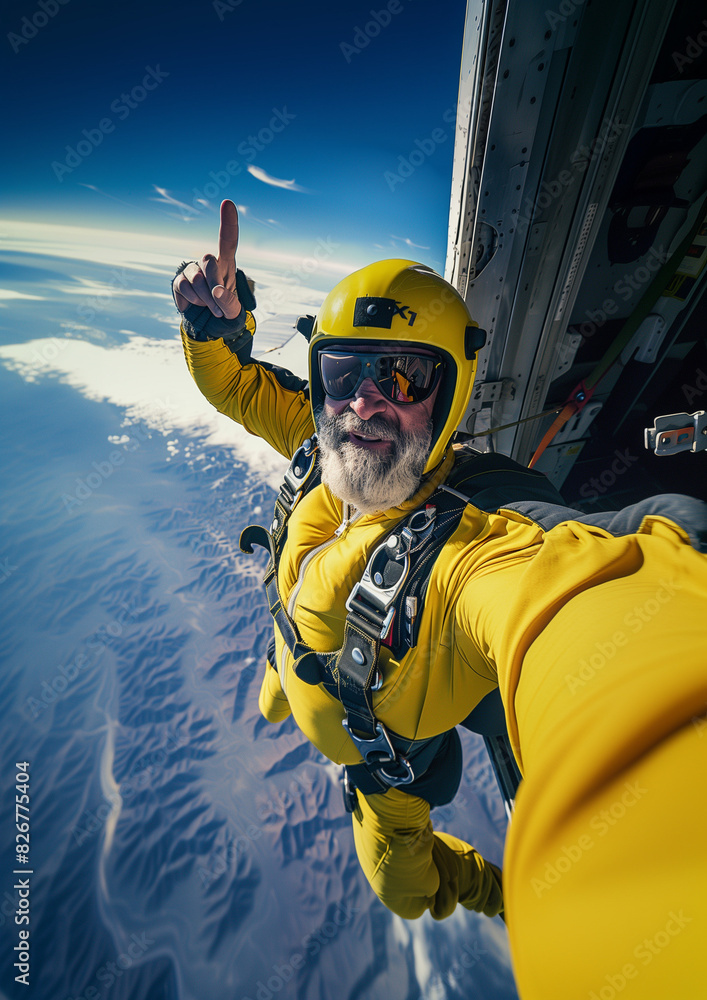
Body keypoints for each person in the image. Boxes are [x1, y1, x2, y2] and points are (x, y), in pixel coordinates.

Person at [173, 199, 707, 999]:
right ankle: (282, 682)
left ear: (450, 391)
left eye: (403, 376)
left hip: (376, 753)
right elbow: (237, 386)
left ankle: (500, 895)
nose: (364, 401)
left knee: (404, 889)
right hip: (288, 651)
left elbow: (566, 596)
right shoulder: (320, 438)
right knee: (279, 686)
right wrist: (210, 327)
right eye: (345, 372)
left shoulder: (473, 537)